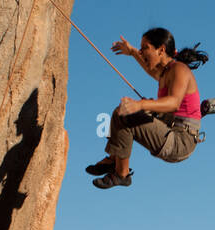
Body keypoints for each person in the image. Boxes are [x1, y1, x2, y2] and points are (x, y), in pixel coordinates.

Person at [87, 27, 208, 188]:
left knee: (126, 115)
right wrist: (131, 51)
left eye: (145, 48)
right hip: (171, 134)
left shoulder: (179, 70)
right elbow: (147, 67)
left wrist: (141, 104)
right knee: (121, 112)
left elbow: (174, 103)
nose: (142, 52)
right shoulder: (164, 73)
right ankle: (114, 159)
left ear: (161, 50)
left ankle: (121, 174)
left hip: (181, 140)